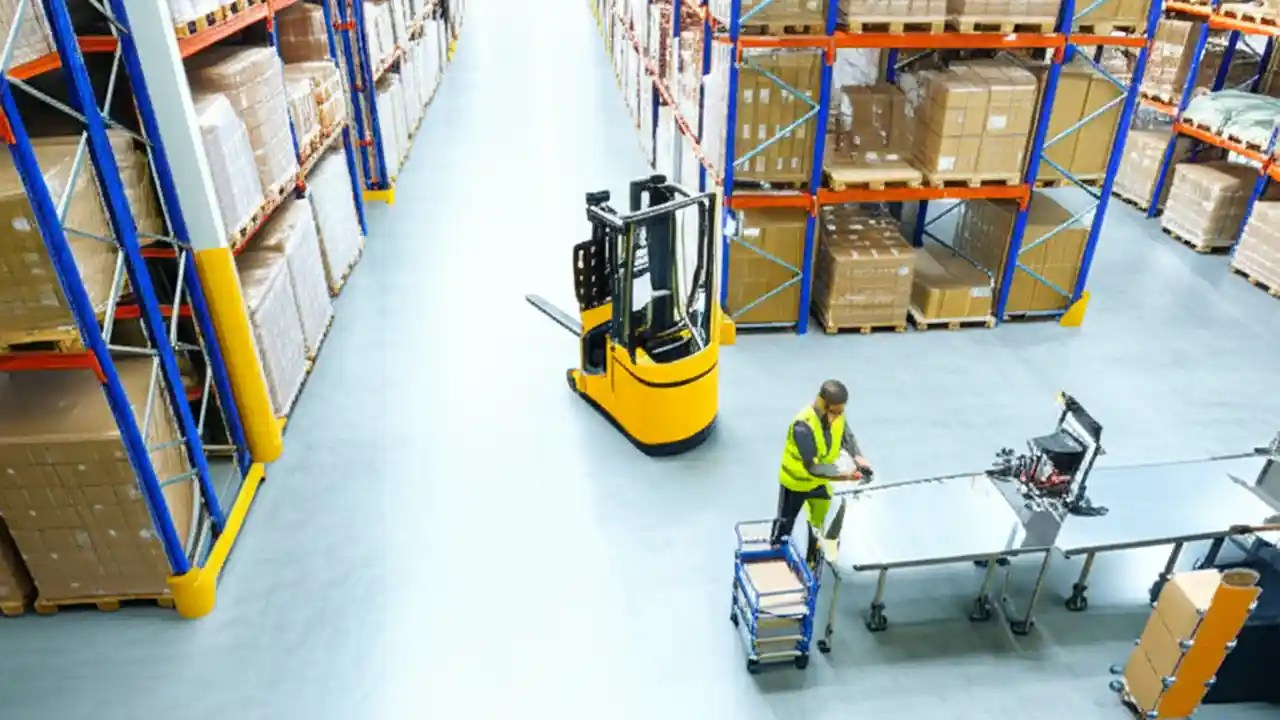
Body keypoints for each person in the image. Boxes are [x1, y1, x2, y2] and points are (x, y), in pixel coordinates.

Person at [770, 379, 872, 564]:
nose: (838, 416)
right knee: (785, 523)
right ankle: (775, 555)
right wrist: (846, 475)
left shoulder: (837, 415)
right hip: (796, 483)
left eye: (841, 412)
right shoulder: (803, 425)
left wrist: (858, 457)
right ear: (822, 404)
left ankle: (813, 559)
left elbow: (845, 436)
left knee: (818, 524)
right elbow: (813, 467)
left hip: (820, 483)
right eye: (834, 412)